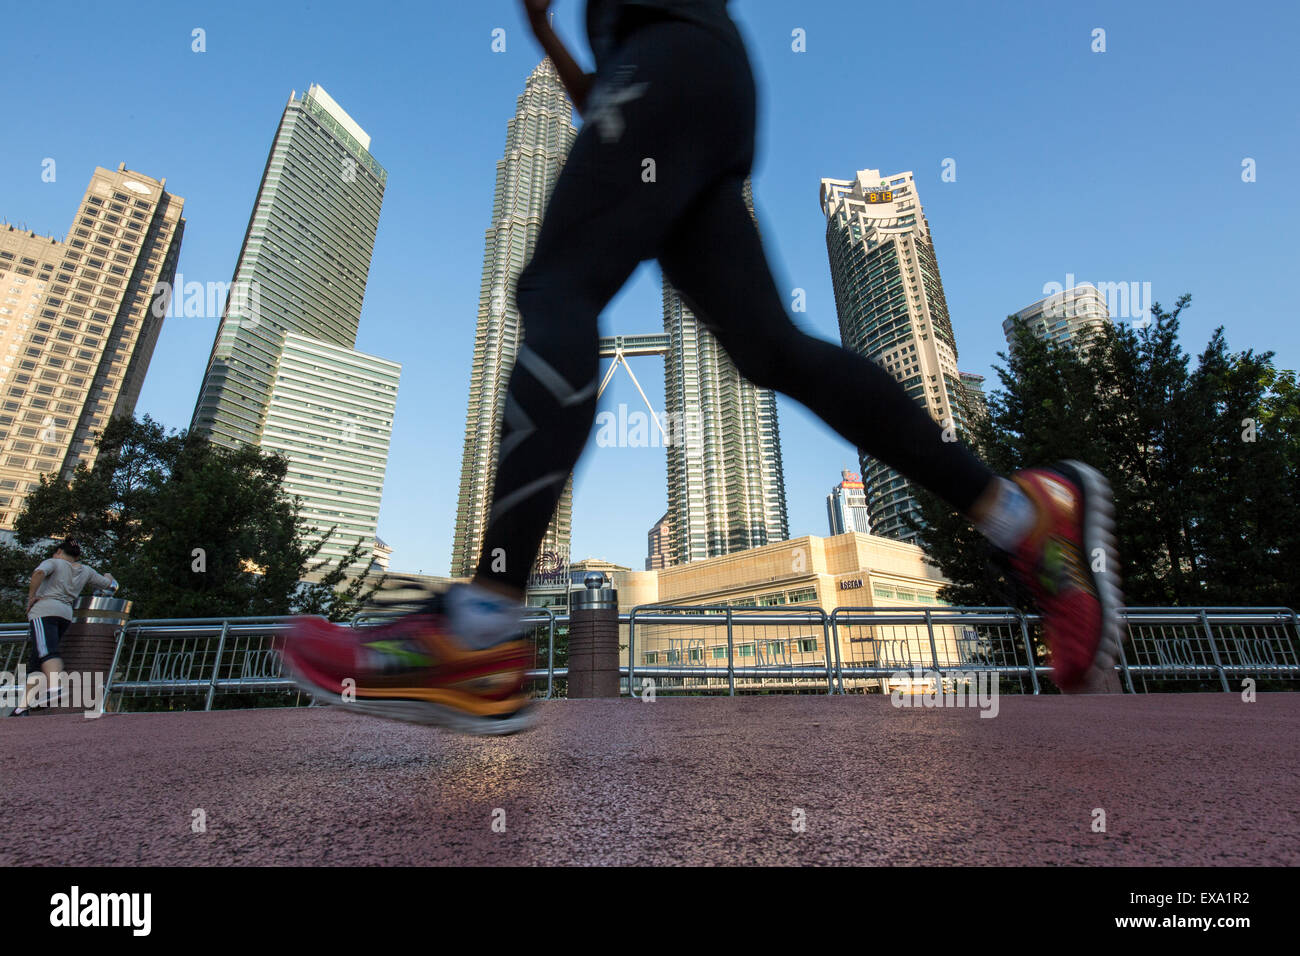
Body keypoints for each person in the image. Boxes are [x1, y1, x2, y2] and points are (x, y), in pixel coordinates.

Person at [283, 0, 1123, 734]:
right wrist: (549, 32)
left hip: (672, 66)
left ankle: (477, 632)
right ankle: (1022, 514)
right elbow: (614, 109)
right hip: (695, 91)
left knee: (556, 285)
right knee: (768, 348)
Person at [9, 538, 116, 716]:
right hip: (65, 613)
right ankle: (22, 707)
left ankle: (54, 687)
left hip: (45, 610)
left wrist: (31, 597)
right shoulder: (86, 570)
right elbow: (109, 584)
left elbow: (38, 573)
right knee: (37, 660)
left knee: (46, 652)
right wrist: (108, 575)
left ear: (59, 551)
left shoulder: (54, 562)